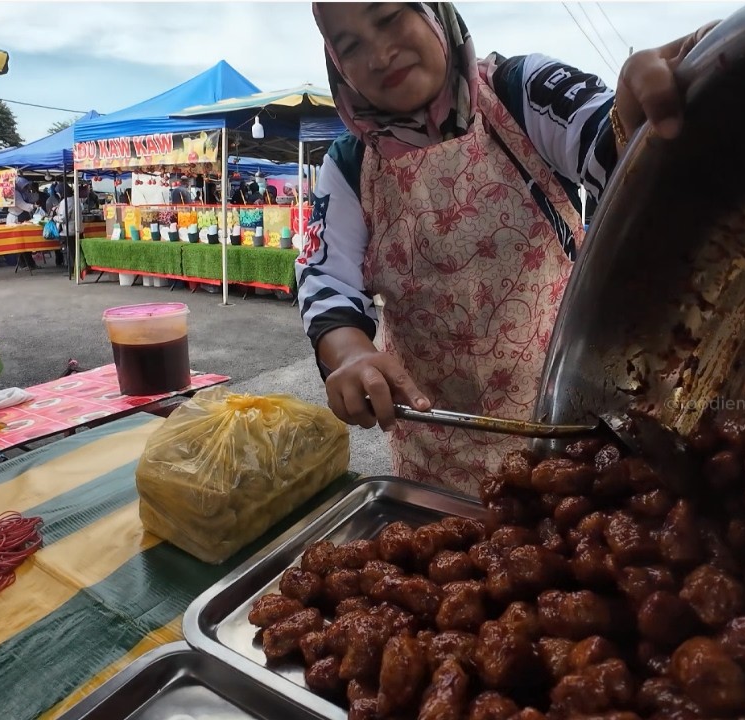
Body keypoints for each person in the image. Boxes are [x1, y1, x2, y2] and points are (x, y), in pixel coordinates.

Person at [296, 2, 713, 494]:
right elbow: (327, 280)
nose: (381, 53)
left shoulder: (522, 90)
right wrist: (350, 355)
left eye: (389, 18)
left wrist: (636, 115)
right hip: (437, 453)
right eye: (351, 46)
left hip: (565, 430)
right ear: (337, 63)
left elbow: (607, 138)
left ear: (432, 11)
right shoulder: (348, 166)